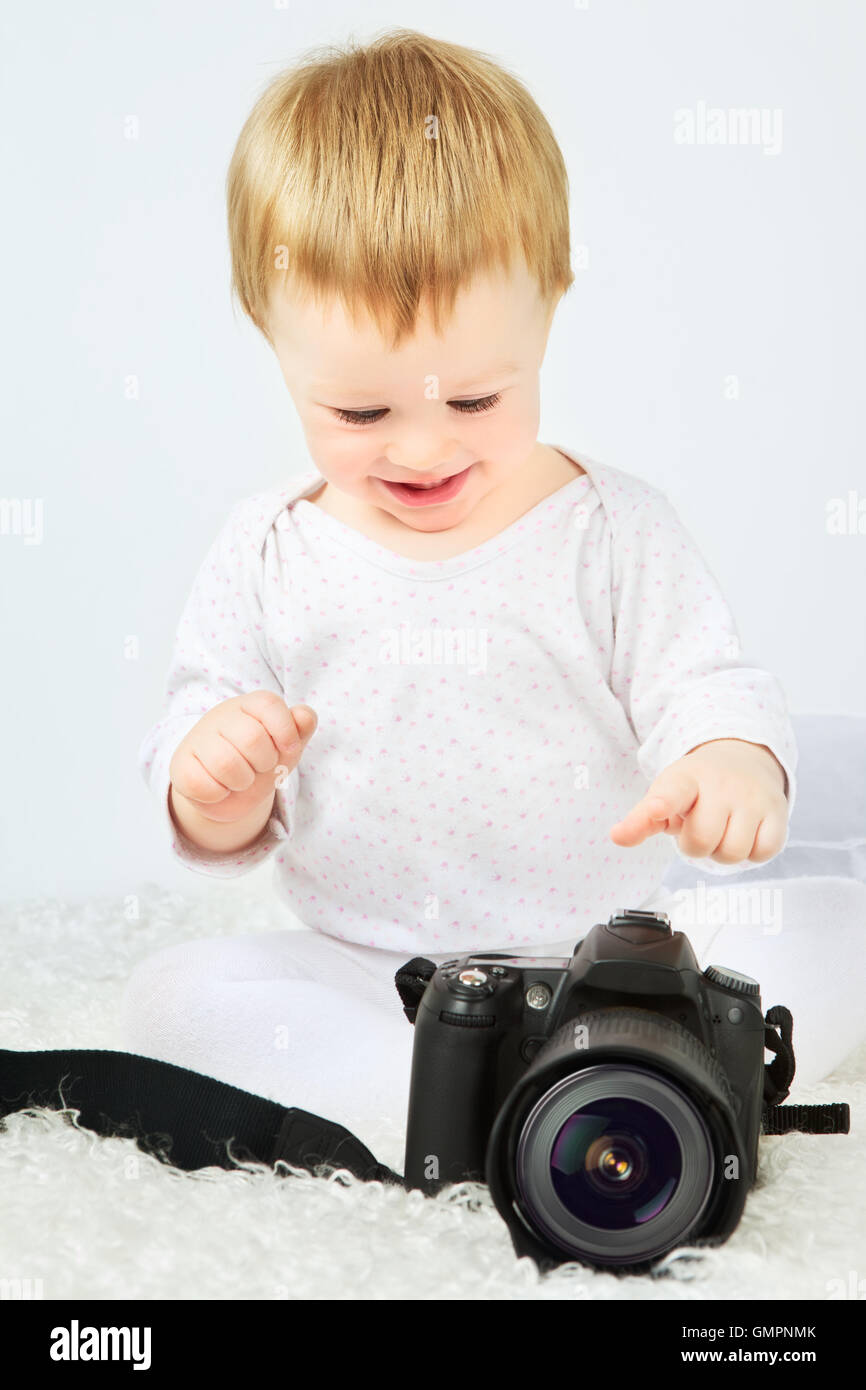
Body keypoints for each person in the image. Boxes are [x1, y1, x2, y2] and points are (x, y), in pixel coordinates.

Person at [123, 30, 859, 1156]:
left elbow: (706, 681)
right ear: (270, 339)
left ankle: (586, 1070)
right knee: (173, 999)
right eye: (359, 414)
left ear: (549, 308)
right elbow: (197, 728)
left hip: (617, 956)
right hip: (373, 964)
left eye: (473, 398)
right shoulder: (268, 552)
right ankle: (453, 1091)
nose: (420, 446)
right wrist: (212, 782)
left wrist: (727, 759)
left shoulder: (609, 531)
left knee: (824, 937)